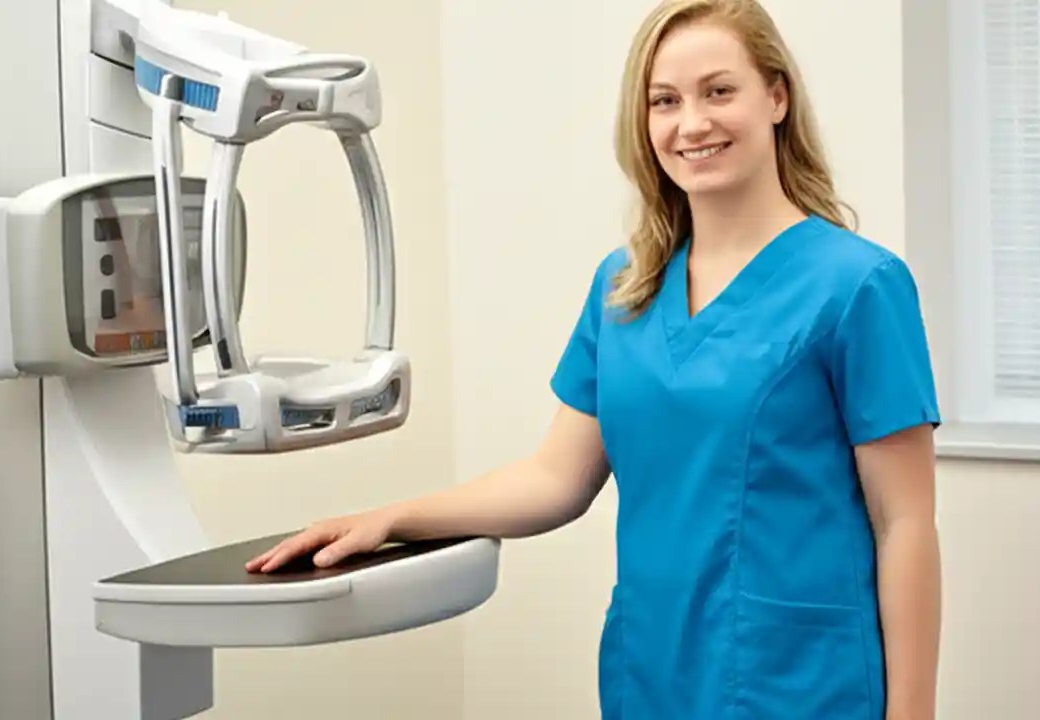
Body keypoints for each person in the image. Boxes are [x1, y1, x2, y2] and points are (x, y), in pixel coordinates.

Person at [247, 0, 942, 717]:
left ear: (776, 97)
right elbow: (556, 478)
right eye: (664, 101)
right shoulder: (625, 286)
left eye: (718, 91)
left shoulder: (857, 285)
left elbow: (905, 524)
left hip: (798, 682)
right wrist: (391, 519)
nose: (692, 123)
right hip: (652, 672)